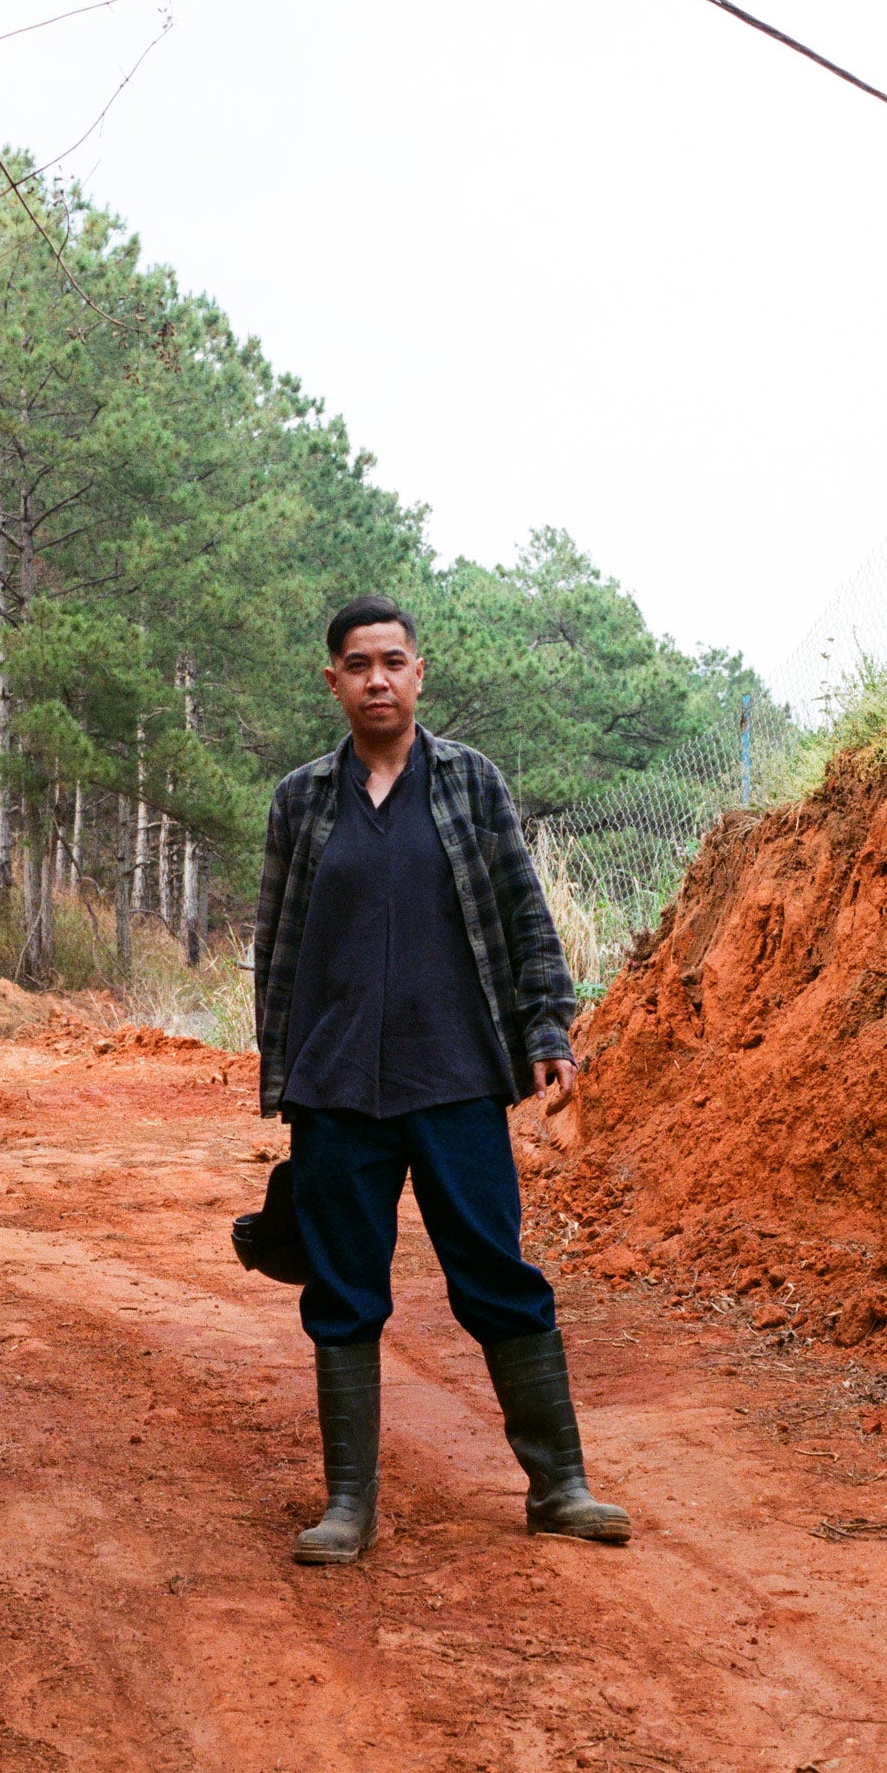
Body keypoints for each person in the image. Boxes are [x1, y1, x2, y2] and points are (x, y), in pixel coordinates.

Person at [253, 594, 631, 1565]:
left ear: (420, 673)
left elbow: (522, 909)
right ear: (330, 679)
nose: (377, 677)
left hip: (458, 1072)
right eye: (357, 663)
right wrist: (281, 1073)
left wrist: (545, 1023)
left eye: (393, 660)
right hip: (336, 1088)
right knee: (342, 1288)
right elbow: (281, 952)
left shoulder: (470, 783)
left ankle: (561, 1484)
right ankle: (348, 1504)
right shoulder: (301, 800)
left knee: (495, 1272)